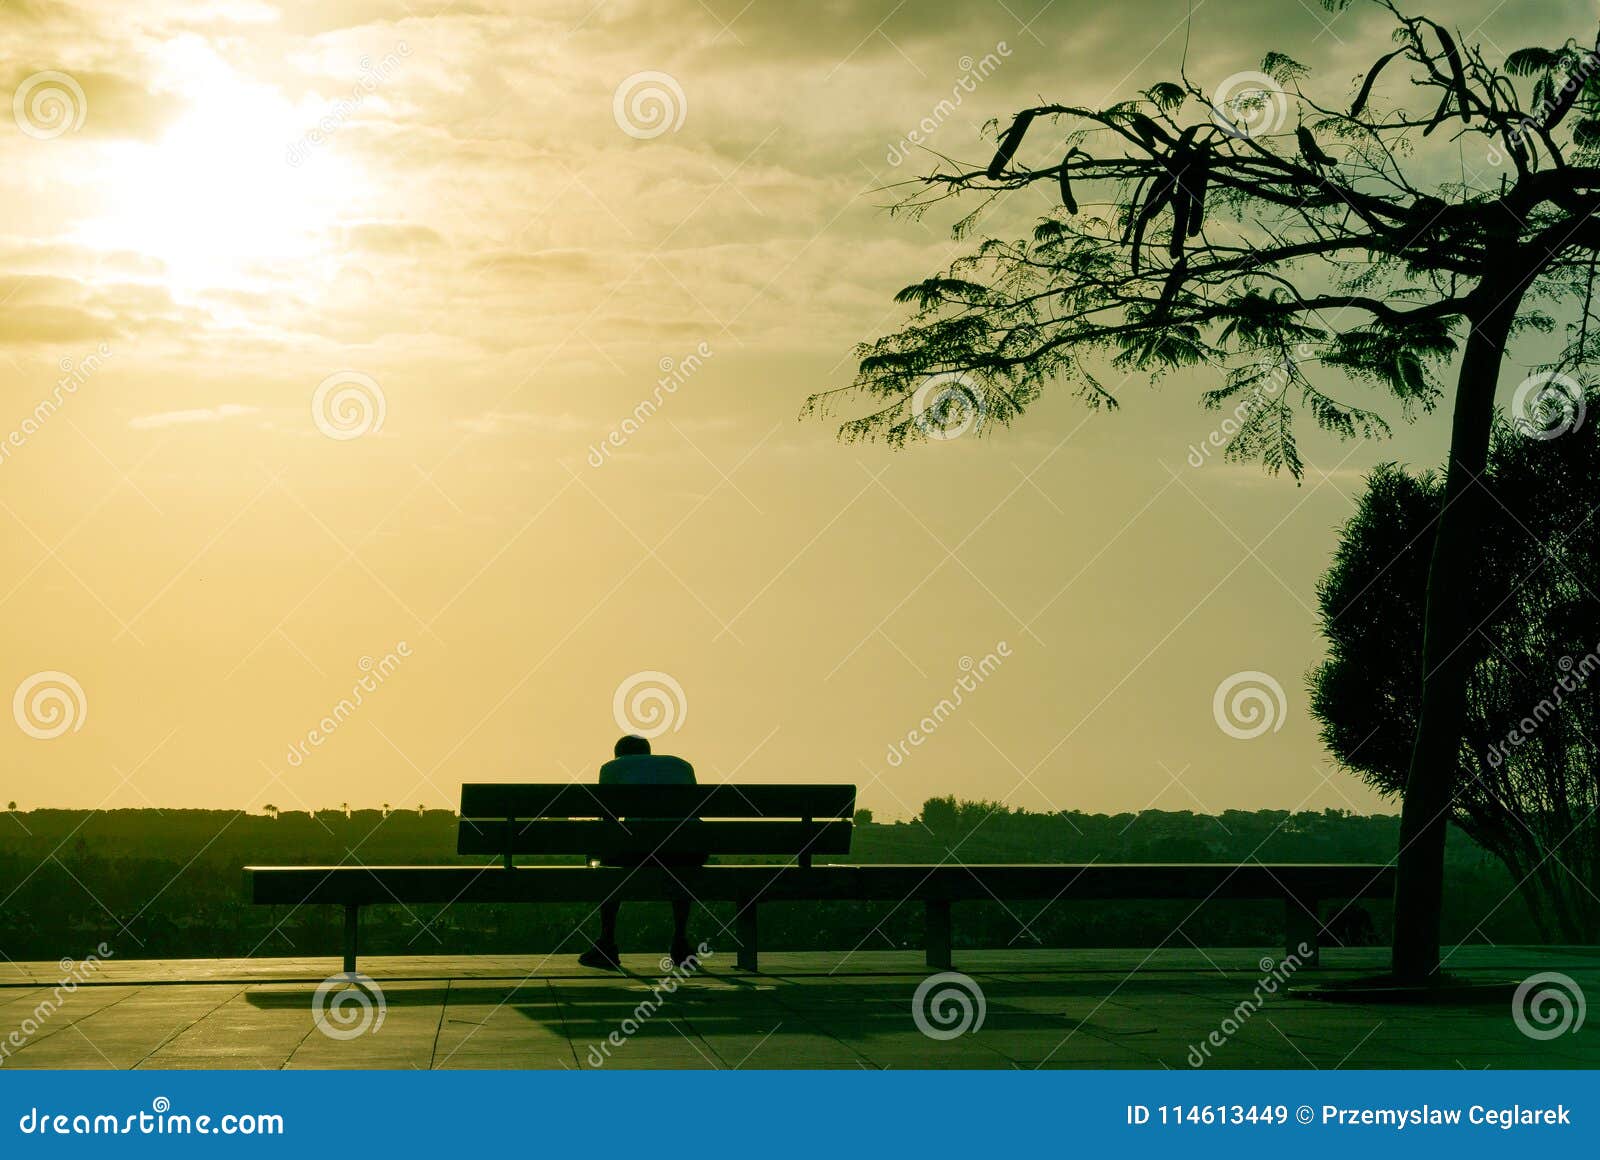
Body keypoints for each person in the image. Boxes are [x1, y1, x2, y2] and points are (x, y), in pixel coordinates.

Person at [577, 734, 702, 970]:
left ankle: (607, 943)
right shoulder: (681, 766)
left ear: (618, 755)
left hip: (641, 850)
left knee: (609, 869)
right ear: (648, 752)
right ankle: (680, 941)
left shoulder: (613, 768)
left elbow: (608, 819)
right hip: (687, 851)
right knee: (683, 867)